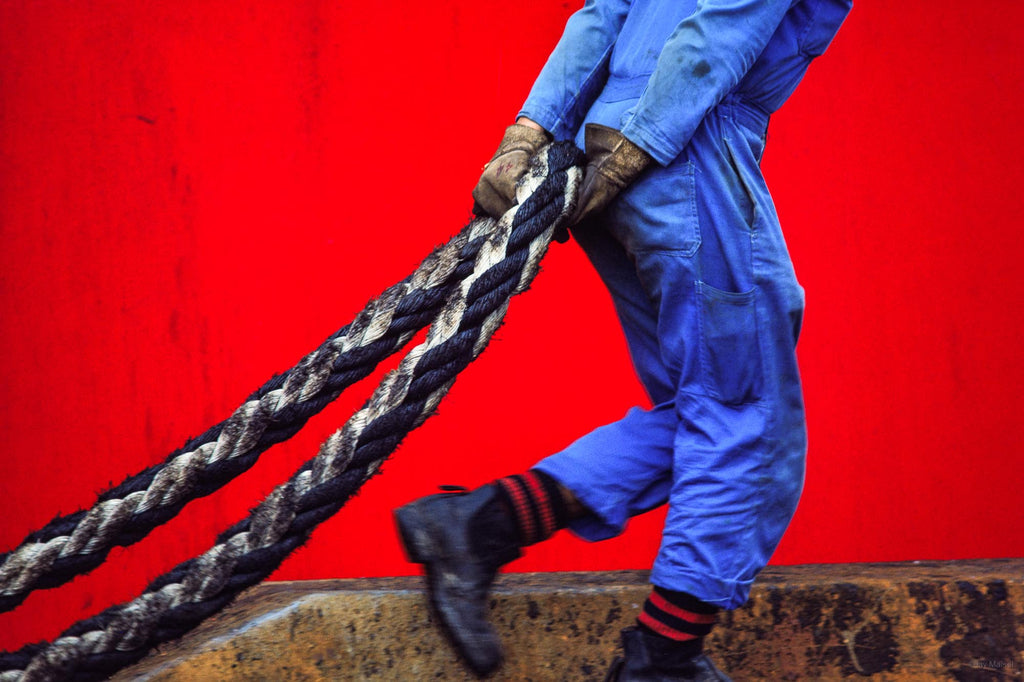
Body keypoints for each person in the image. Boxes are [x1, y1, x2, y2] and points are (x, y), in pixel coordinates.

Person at [395, 0, 852, 679]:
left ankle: (480, 527)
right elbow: (719, 28)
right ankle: (664, 658)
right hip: (684, 144)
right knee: (746, 419)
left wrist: (529, 132)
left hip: (602, 158)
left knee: (704, 413)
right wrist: (643, 142)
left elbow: (601, 14)